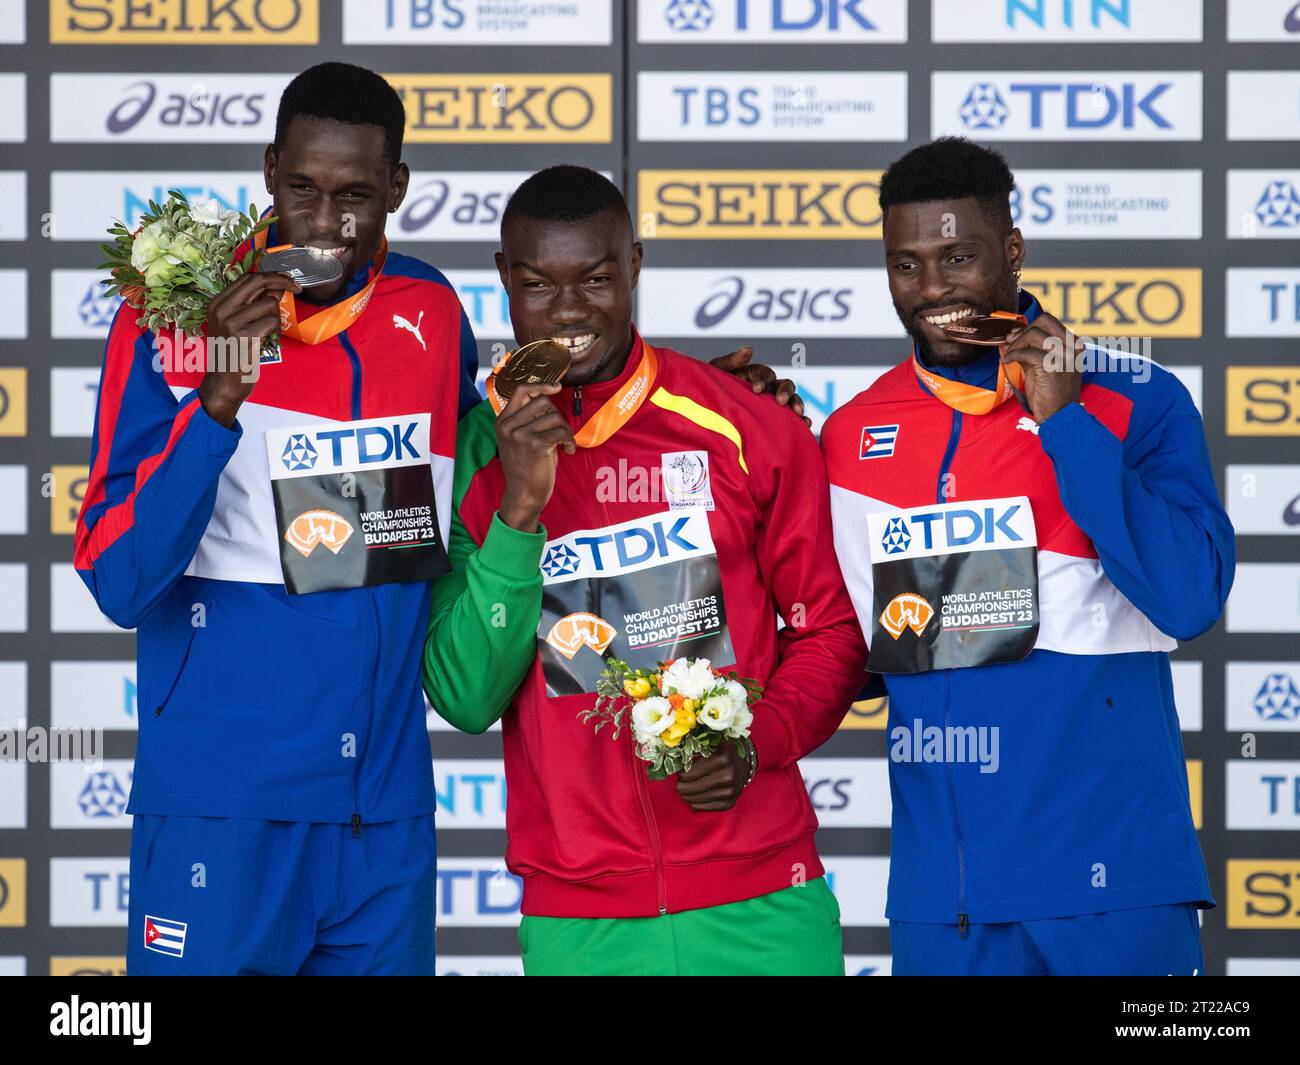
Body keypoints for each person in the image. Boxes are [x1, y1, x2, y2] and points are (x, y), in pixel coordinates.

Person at [75, 63, 805, 976]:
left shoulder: (428, 310)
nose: (325, 223)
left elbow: (522, 421)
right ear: (269, 169)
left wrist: (716, 401)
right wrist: (214, 408)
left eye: (354, 196)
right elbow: (115, 577)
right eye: (302, 188)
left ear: (397, 188)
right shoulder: (167, 320)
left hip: (382, 813)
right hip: (224, 800)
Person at [421, 165, 868, 976]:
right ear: (502, 278)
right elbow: (464, 696)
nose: (567, 313)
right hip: (580, 918)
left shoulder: (746, 426)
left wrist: (755, 743)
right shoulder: (471, 458)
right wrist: (520, 512)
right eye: (537, 285)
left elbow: (831, 633)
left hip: (763, 898)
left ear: (635, 263)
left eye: (595, 279)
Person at [820, 137, 1235, 976]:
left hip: (1118, 889)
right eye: (906, 265)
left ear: (1013, 250)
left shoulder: (1138, 397)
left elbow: (1189, 598)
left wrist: (1068, 423)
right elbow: (853, 651)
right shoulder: (852, 434)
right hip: (950, 902)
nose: (932, 290)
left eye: (958, 256)